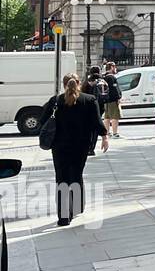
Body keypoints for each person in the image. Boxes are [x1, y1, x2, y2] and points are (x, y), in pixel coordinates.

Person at [38, 73, 108, 226]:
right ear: (78, 83)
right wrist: (105, 136)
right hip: (81, 145)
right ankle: (76, 207)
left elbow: (42, 121)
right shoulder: (89, 100)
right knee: (76, 174)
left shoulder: (55, 101)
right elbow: (97, 122)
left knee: (61, 178)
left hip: (59, 146)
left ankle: (63, 217)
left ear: (64, 84)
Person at [102, 62, 122, 138]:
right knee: (115, 116)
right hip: (112, 100)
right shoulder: (111, 77)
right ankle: (115, 133)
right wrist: (118, 97)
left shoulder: (104, 77)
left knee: (106, 117)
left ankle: (107, 132)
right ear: (111, 67)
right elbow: (114, 89)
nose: (115, 68)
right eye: (114, 67)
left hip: (106, 100)